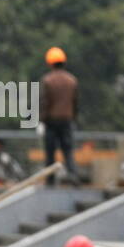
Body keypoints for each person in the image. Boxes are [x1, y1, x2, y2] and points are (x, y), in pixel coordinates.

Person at [39, 47, 80, 185]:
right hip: (67, 119)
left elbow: (45, 102)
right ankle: (73, 175)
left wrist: (42, 120)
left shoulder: (48, 80)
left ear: (50, 63)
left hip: (51, 120)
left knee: (50, 151)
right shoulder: (72, 80)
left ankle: (50, 179)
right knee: (68, 150)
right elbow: (75, 102)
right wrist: (73, 117)